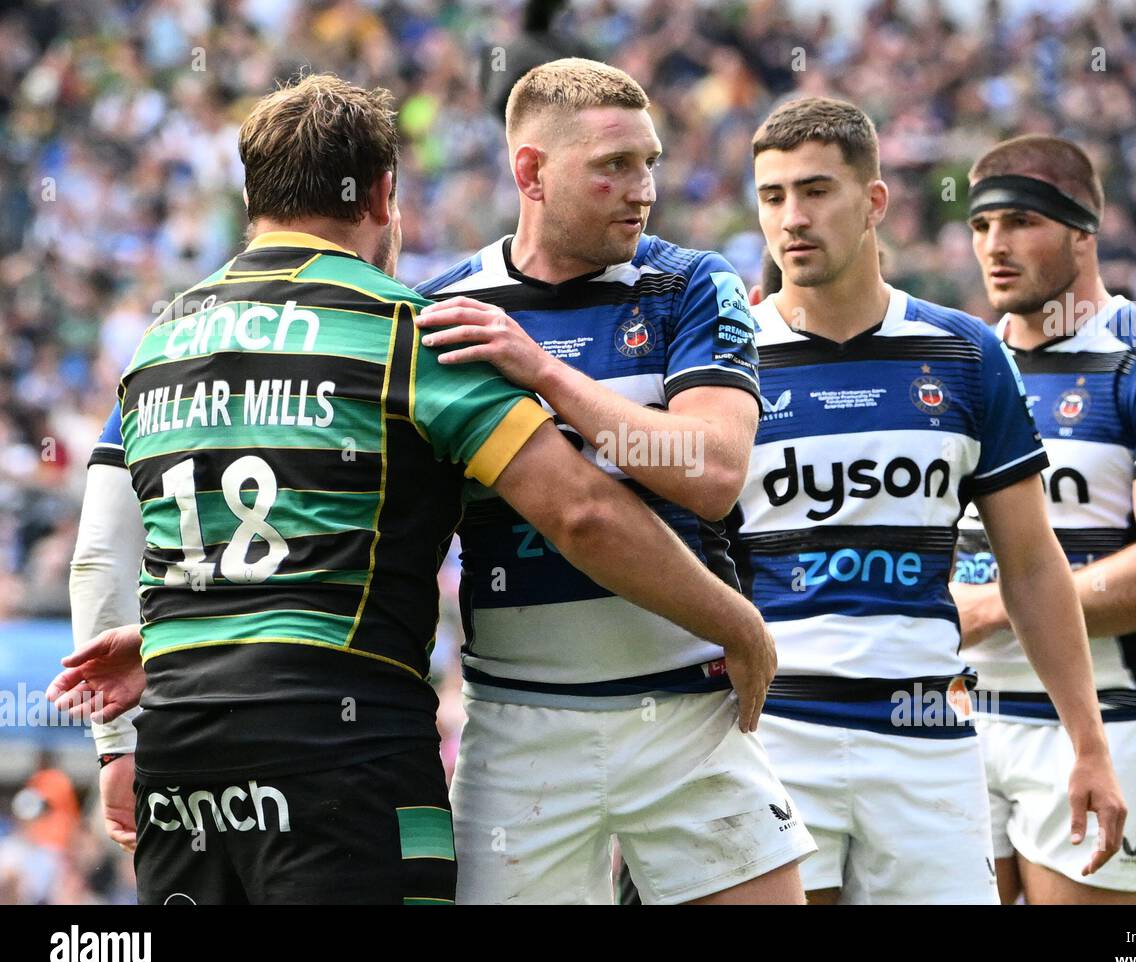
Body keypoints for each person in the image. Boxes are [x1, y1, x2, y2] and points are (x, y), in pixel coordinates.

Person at [50, 72, 778, 905]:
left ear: (249, 194)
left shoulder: (158, 342)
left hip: (184, 747)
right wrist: (736, 621)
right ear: (383, 195)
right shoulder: (412, 328)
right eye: (619, 163)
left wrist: (133, 713)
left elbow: (121, 550)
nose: (642, 188)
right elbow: (580, 513)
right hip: (350, 753)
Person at [411, 58, 815, 905]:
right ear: (532, 172)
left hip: (691, 711)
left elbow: (708, 470)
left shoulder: (692, 284)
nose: (644, 190)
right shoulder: (445, 309)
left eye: (650, 163)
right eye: (614, 167)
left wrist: (546, 376)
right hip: (519, 723)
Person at [735, 96, 1124, 904]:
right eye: (772, 197)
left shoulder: (966, 354)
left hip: (925, 735)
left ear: (874, 201)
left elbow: (1031, 562)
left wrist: (1087, 742)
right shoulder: (725, 359)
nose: (792, 219)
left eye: (815, 191)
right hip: (770, 735)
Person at [953, 135, 1136, 904]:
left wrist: (995, 606)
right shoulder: (961, 361)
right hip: (955, 722)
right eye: (981, 226)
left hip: (1107, 721)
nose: (995, 245)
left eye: (1020, 222)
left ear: (1083, 230)